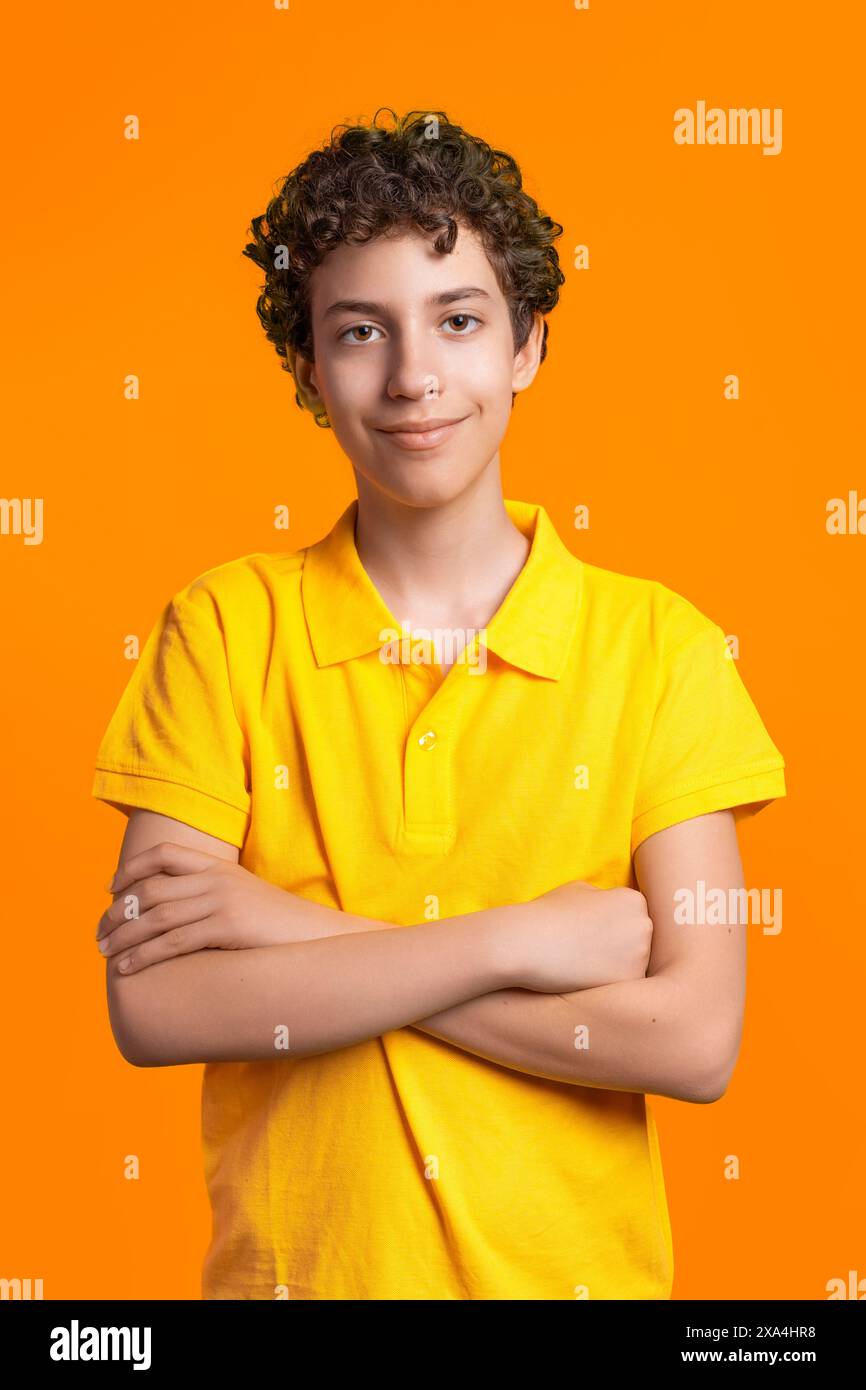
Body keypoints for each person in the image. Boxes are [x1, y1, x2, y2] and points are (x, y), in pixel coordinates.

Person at [92, 108, 786, 1300]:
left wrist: (280, 924)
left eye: (456, 321)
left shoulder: (660, 650)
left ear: (524, 347)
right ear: (308, 369)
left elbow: (691, 1039)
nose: (414, 376)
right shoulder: (219, 628)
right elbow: (156, 1004)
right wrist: (515, 942)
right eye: (360, 331)